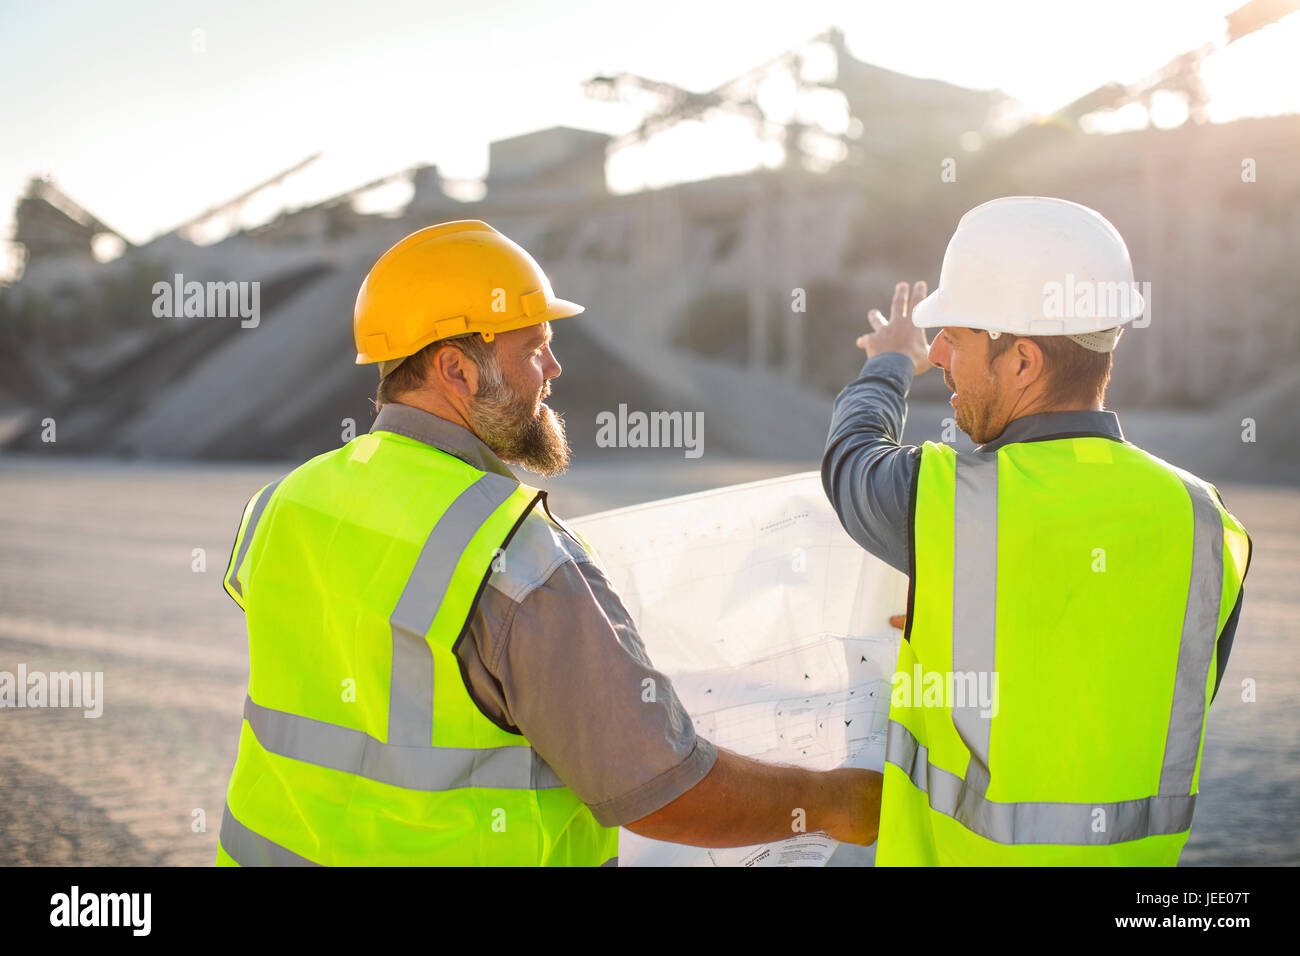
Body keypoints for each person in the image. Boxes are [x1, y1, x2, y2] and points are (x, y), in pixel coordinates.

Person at [217, 218, 881, 866]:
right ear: (457, 369)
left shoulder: (288, 500)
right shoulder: (509, 554)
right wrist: (831, 801)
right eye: (534, 347)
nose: (555, 367)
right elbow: (665, 793)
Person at [822, 196, 1251, 865]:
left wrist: (891, 361)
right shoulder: (1205, 521)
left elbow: (849, 459)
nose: (939, 357)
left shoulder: (943, 497)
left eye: (953, 340)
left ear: (1023, 361)